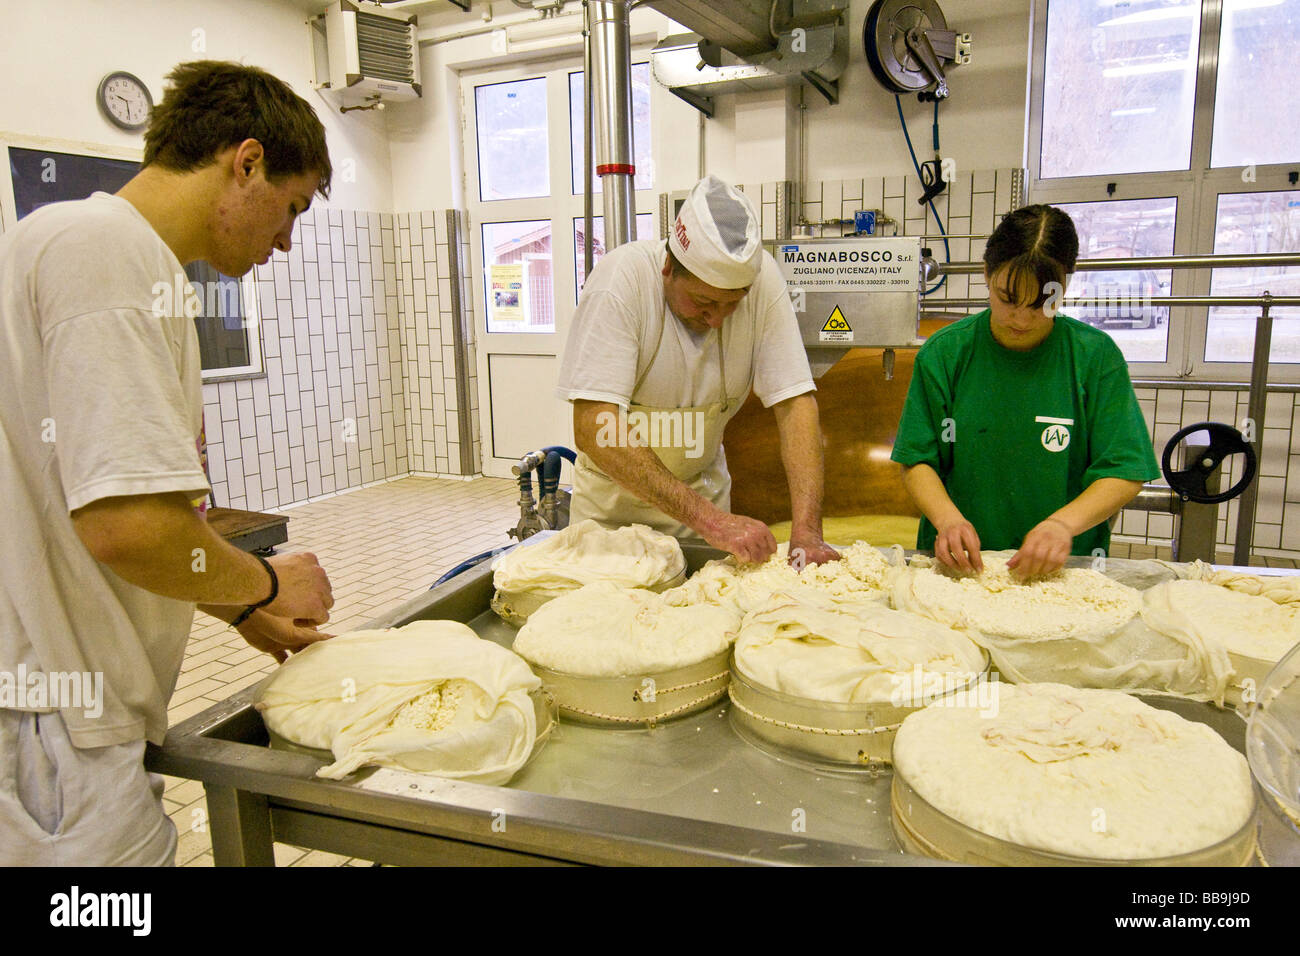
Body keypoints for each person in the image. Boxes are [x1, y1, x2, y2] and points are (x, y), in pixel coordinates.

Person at [0, 61, 337, 865]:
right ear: (245, 161)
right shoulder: (109, 256)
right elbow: (125, 528)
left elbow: (82, 502)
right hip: (57, 730)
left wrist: (237, 613)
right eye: (289, 209)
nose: (286, 241)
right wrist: (260, 582)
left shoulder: (77, 245)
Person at [556, 175, 837, 566]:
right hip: (611, 525)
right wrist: (712, 521)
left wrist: (808, 530)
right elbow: (594, 426)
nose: (718, 320)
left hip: (705, 520)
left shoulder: (763, 282)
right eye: (703, 302)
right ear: (669, 266)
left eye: (732, 305)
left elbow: (795, 405)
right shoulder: (621, 282)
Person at [891, 204, 1159, 577]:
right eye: (1008, 298)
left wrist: (1062, 525)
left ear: (1066, 283)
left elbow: (1125, 470)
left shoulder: (1095, 357)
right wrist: (948, 519)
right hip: (962, 566)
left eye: (1042, 303)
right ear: (987, 274)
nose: (1022, 318)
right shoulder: (946, 354)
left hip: (1066, 570)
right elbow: (917, 459)